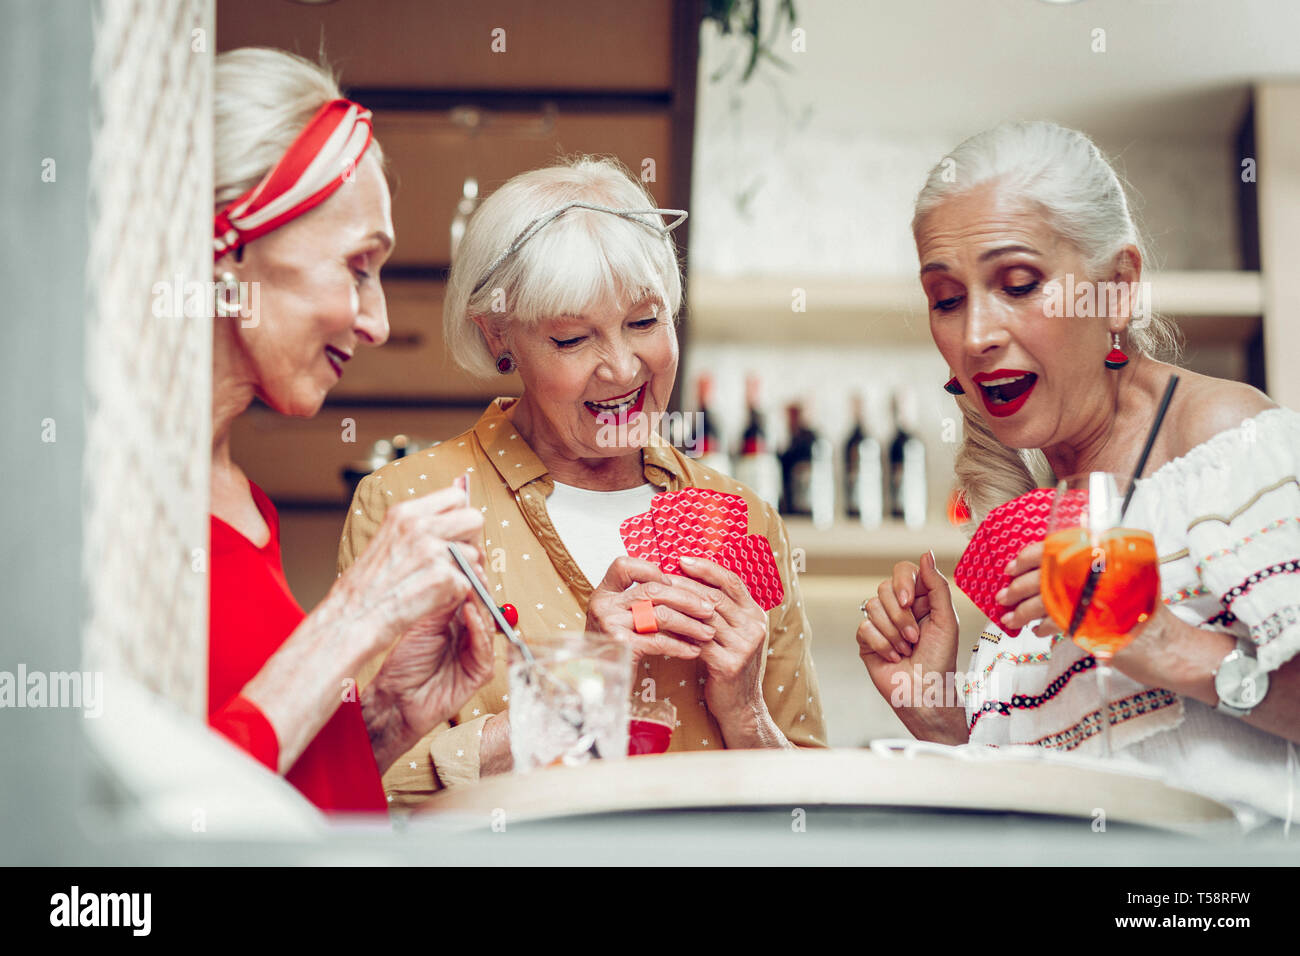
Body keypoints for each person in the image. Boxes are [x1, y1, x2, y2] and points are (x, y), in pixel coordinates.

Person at [338, 157, 827, 807]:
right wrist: (580, 682)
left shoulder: (745, 517)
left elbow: (813, 814)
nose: (623, 366)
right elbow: (357, 788)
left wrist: (745, 714)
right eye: (572, 339)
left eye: (646, 322)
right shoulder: (411, 505)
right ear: (497, 334)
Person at [857, 121, 1300, 823]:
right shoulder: (1040, 511)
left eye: (1020, 284)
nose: (975, 336)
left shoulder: (1225, 441)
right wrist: (941, 715)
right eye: (946, 298)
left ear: (1117, 288)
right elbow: (1073, 785)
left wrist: (1162, 641)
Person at [208, 48, 495, 814]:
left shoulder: (242, 503)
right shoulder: (96, 502)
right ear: (231, 248)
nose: (377, 322)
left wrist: (384, 722)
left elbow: (257, 786)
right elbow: (144, 828)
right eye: (358, 267)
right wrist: (357, 616)